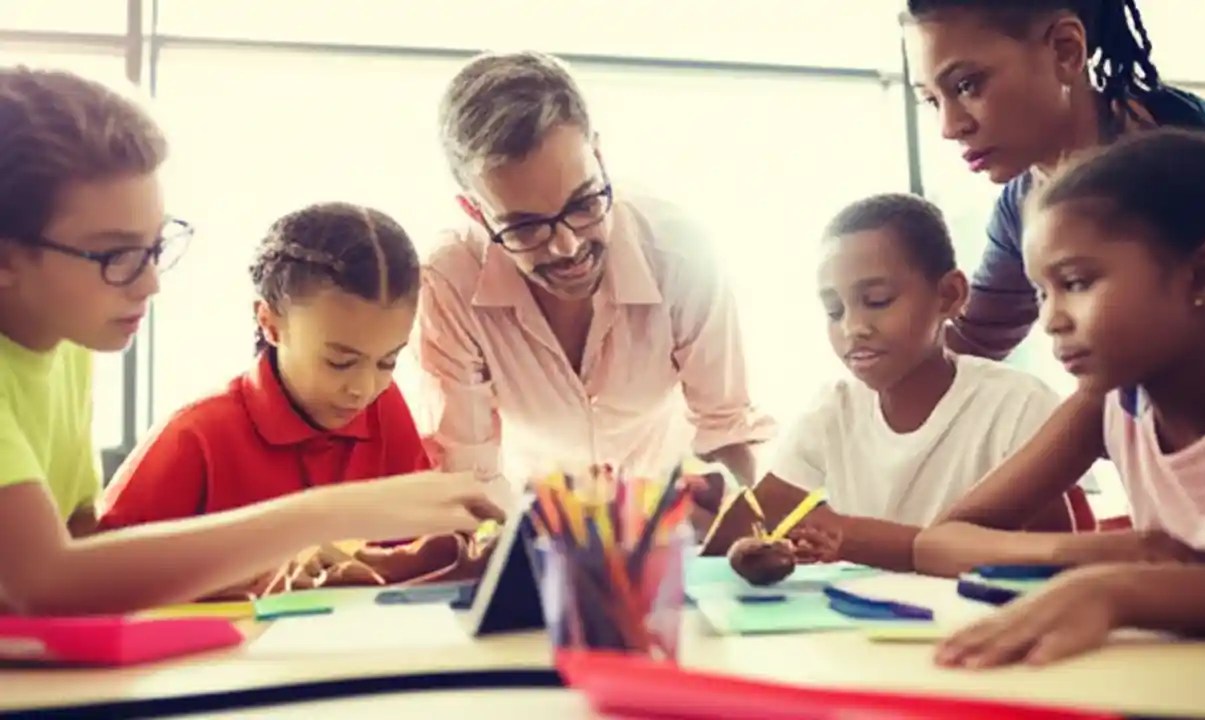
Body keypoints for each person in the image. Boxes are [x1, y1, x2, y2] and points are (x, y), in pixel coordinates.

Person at [0, 67, 500, 616]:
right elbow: (43, 583)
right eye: (115, 255)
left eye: (155, 247)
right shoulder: (191, 425)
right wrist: (332, 513)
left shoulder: (65, 345)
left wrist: (284, 569)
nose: (150, 283)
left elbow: (85, 551)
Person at [918, 127, 1205, 667]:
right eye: (1042, 292)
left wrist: (1118, 590)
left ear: (1204, 276)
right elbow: (939, 541)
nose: (1051, 319)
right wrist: (1095, 552)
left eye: (1077, 283)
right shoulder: (1109, 406)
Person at [417, 51, 774, 504]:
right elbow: (468, 475)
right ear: (475, 211)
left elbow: (728, 432)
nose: (567, 247)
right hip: (533, 525)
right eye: (526, 227)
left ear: (600, 158)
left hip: (676, 520)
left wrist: (730, 527)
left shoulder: (680, 254)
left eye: (584, 203)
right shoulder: (448, 283)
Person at [749, 194, 1081, 571]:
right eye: (834, 310)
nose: (853, 327)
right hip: (858, 609)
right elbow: (762, 517)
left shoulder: (1016, 405)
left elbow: (1052, 562)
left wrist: (850, 537)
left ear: (949, 295)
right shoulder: (832, 409)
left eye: (877, 300)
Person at [903, 0, 1205, 359]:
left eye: (967, 85)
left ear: (1065, 50)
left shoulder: (1197, 164)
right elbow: (971, 345)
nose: (949, 128)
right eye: (931, 100)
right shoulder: (1024, 204)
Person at [99, 202, 440, 529]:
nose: (363, 389)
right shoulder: (194, 438)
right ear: (269, 322)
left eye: (387, 362)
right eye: (340, 362)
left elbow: (427, 538)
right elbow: (104, 563)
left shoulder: (384, 409)